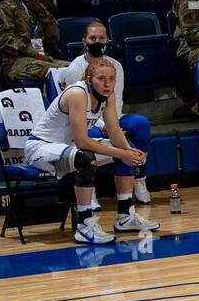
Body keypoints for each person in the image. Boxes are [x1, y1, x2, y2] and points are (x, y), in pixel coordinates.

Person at [23, 59, 151, 245]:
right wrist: (120, 153)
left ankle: (125, 215)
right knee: (86, 157)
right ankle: (85, 226)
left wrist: (129, 151)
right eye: (101, 78)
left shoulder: (109, 96)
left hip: (69, 147)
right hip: (41, 147)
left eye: (111, 79)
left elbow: (114, 131)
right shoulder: (77, 93)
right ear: (89, 79)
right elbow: (83, 141)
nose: (107, 84)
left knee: (125, 149)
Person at [57, 19, 155, 214]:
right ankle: (88, 188)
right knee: (92, 133)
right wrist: (105, 126)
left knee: (140, 124)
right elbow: (80, 108)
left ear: (107, 40)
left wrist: (113, 126)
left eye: (101, 38)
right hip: (85, 121)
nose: (97, 42)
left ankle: (139, 178)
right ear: (84, 41)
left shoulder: (115, 65)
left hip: (111, 116)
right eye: (93, 38)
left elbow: (114, 100)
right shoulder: (75, 69)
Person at [0, 0, 68, 84]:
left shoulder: (37, 5)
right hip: (14, 63)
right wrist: (35, 53)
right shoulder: (3, 9)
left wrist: (40, 11)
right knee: (58, 71)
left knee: (73, 68)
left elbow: (54, 36)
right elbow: (6, 42)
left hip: (41, 58)